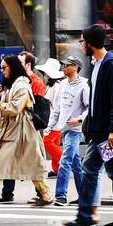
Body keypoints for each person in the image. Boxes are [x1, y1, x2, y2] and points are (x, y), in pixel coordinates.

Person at [63, 25, 113, 226]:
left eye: (82, 41)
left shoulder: (111, 64)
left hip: (108, 132)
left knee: (89, 168)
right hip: (104, 130)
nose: (80, 45)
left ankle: (85, 217)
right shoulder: (99, 63)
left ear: (90, 42)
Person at [0, 54, 52, 207]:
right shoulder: (14, 84)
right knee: (23, 163)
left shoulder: (21, 85)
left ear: (13, 67)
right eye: (1, 67)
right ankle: (45, 195)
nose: (2, 70)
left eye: (4, 67)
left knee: (9, 162)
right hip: (15, 131)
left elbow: (15, 108)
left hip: (22, 131)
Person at [0, 51, 49, 203]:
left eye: (20, 62)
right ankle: (6, 193)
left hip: (28, 127)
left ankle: (42, 194)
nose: (15, 65)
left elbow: (34, 105)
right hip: (15, 127)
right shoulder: (14, 81)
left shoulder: (34, 82)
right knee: (9, 159)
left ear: (27, 64)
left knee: (31, 161)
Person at [49, 56, 90, 206]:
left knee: (65, 160)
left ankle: (61, 195)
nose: (63, 67)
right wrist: (51, 126)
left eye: (66, 65)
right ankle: (84, 196)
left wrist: (79, 120)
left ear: (75, 67)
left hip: (75, 130)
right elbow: (57, 108)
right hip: (64, 129)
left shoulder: (84, 87)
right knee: (75, 164)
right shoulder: (63, 85)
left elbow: (89, 108)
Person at [38, 58, 67, 176]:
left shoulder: (57, 86)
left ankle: (66, 162)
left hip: (54, 120)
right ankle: (57, 169)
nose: (44, 75)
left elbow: (57, 105)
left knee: (47, 142)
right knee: (54, 143)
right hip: (53, 120)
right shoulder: (53, 85)